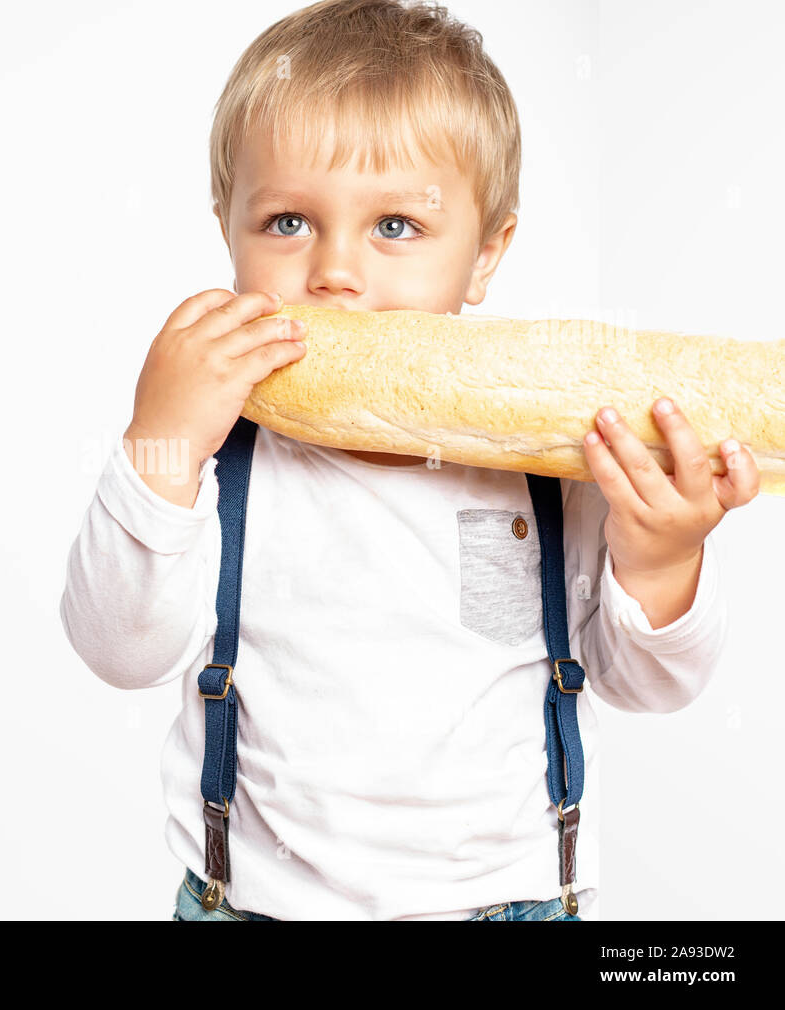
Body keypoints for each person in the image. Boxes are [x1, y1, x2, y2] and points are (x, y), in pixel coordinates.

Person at [59, 0, 760, 921]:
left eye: (396, 226)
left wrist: (663, 559)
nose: (336, 273)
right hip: (253, 906)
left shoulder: (549, 463)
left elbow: (649, 684)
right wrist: (162, 452)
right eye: (286, 222)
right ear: (225, 228)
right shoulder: (218, 459)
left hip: (510, 905)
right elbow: (117, 650)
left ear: (485, 257)